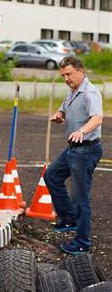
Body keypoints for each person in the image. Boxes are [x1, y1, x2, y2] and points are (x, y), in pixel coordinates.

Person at [44, 56, 103, 255]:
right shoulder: (73, 91)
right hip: (73, 148)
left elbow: (97, 117)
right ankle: (69, 218)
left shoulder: (90, 93)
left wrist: (82, 131)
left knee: (80, 197)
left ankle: (82, 242)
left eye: (68, 74)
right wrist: (59, 115)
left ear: (80, 71)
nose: (66, 78)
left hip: (86, 149)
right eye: (63, 75)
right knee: (51, 175)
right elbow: (65, 107)